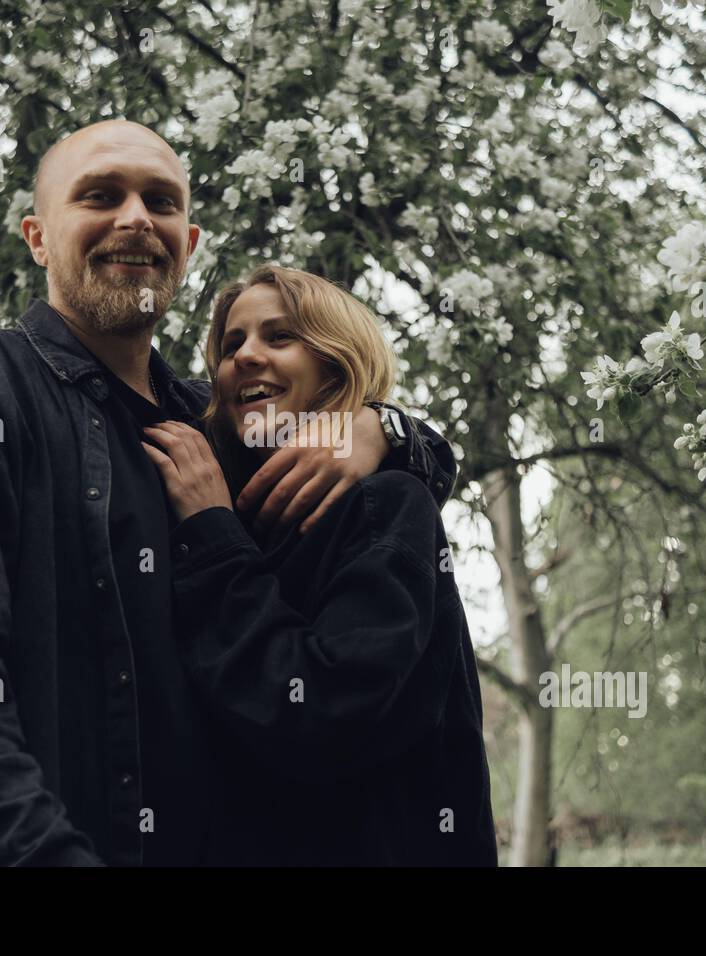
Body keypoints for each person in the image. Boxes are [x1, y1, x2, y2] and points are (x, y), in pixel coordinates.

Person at [0, 120, 458, 866]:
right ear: (38, 238)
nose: (136, 217)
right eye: (101, 195)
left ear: (188, 244)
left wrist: (386, 430)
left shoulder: (218, 429)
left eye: (161, 202)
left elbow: (385, 470)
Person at [141, 265, 498, 865]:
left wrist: (212, 537)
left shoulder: (385, 503)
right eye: (233, 344)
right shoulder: (223, 496)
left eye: (280, 337)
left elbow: (316, 714)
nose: (248, 355)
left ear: (335, 364)